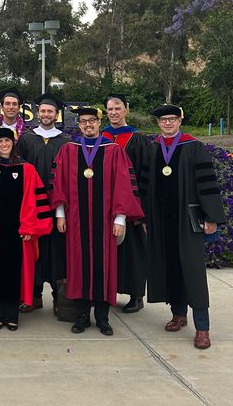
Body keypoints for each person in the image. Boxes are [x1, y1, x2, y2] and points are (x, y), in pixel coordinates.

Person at [50, 107, 144, 337]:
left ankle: (103, 318)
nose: (88, 125)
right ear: (78, 125)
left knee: (104, 268)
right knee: (78, 267)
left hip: (105, 222)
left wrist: (120, 217)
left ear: (99, 123)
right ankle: (81, 316)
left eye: (92, 120)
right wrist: (60, 214)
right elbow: (58, 182)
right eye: (83, 121)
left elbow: (123, 186)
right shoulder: (68, 150)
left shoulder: (113, 151)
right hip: (75, 222)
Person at [140, 104, 227, 350]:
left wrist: (210, 217)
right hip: (160, 219)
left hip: (188, 220)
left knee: (193, 271)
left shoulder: (194, 147)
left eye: (172, 119)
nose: (167, 123)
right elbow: (145, 185)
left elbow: (207, 184)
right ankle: (178, 314)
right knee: (170, 266)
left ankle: (202, 327)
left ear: (180, 121)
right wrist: (145, 218)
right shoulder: (153, 148)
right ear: (158, 123)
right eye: (163, 120)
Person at [0, 128, 52, 331]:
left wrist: (30, 227)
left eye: (7, 141)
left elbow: (34, 201)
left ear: (13, 143)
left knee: (15, 273)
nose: (4, 144)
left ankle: (12, 314)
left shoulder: (26, 169)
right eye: (0, 141)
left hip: (19, 231)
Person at [16, 93, 70, 314]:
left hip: (58, 206)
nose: (46, 114)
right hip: (32, 205)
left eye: (50, 111)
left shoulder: (66, 142)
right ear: (37, 113)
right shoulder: (27, 139)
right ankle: (34, 296)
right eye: (43, 111)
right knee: (34, 250)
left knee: (57, 251)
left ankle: (59, 298)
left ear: (56, 115)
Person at [101, 94, 148, 313]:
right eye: (110, 109)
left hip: (130, 207)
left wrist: (141, 210)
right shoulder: (101, 136)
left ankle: (136, 295)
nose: (113, 113)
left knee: (132, 251)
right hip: (103, 206)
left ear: (126, 109)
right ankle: (108, 292)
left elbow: (143, 176)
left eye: (117, 108)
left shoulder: (136, 139)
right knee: (108, 251)